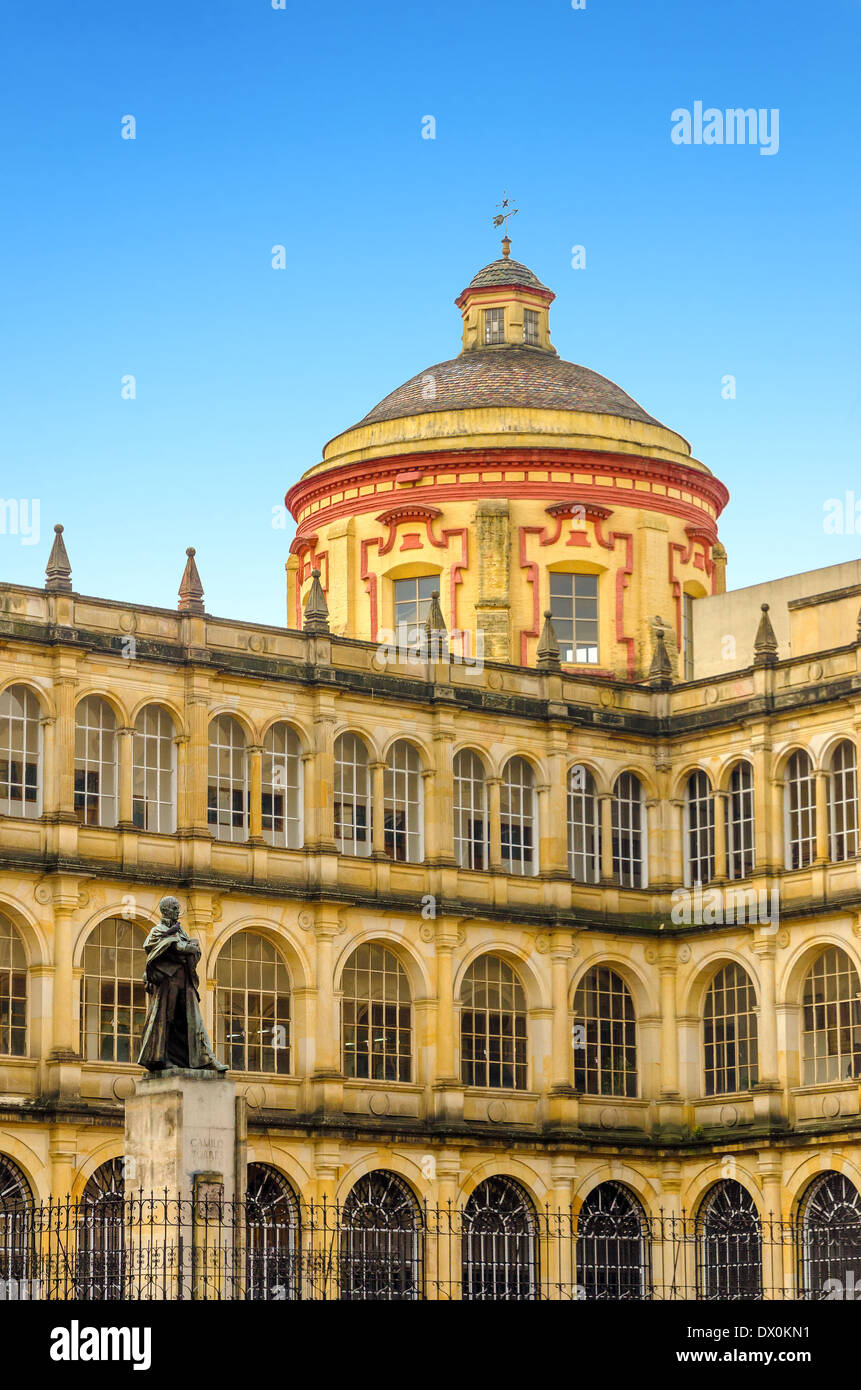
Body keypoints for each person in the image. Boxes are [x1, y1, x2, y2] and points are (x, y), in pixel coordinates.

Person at [137, 895, 227, 1072]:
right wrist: (179, 946)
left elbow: (191, 950)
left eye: (178, 908)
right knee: (166, 1019)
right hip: (167, 981)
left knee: (194, 1020)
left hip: (184, 980)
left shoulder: (181, 931)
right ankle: (162, 1058)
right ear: (165, 910)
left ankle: (205, 1059)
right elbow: (152, 948)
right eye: (175, 908)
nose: (178, 911)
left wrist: (189, 948)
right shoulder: (157, 930)